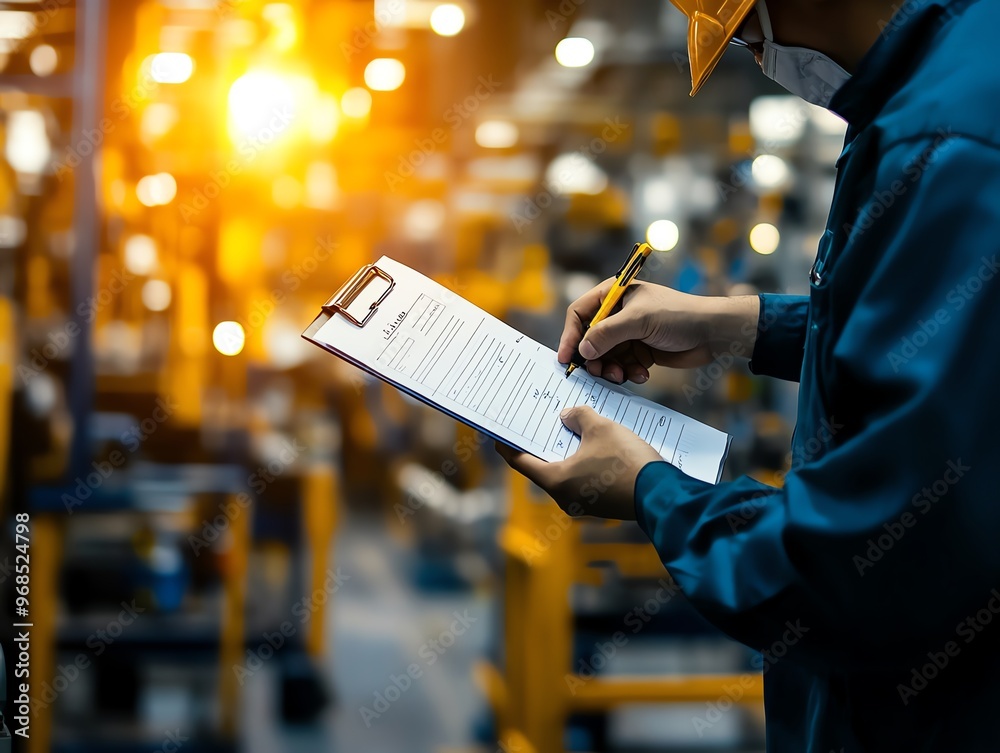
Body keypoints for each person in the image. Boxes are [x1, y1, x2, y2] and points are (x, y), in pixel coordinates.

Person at [497, 0, 1000, 749]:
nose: (754, 56)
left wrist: (650, 490)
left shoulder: (941, 143)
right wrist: (737, 325)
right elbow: (952, 343)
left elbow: (866, 560)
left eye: (743, 32)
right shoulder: (961, 70)